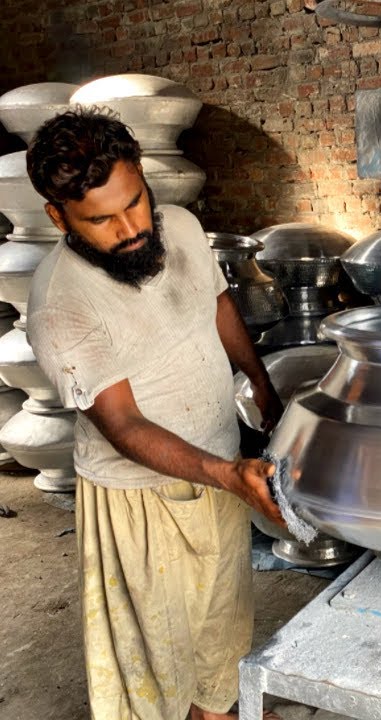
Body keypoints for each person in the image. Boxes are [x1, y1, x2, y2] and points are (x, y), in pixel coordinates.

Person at [25, 108, 286, 720]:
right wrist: (229, 477)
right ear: (58, 217)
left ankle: (218, 713)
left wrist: (260, 382)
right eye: (101, 220)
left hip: (218, 466)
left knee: (222, 623)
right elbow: (123, 426)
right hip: (137, 500)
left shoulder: (185, 228)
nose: (130, 228)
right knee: (154, 662)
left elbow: (216, 305)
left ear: (143, 176)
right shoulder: (62, 302)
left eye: (135, 202)